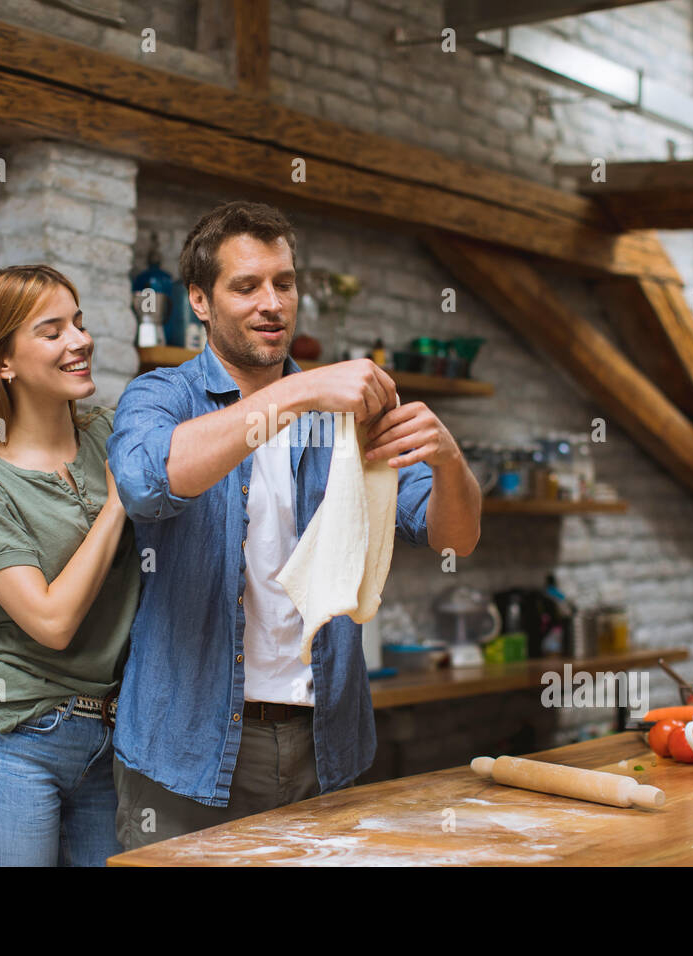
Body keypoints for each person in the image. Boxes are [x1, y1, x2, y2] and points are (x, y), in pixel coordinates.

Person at [107, 201, 482, 850]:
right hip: (187, 748)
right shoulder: (161, 397)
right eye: (245, 286)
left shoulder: (349, 413)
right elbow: (146, 481)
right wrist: (298, 393)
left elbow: (456, 537)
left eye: (284, 282)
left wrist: (449, 461)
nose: (271, 302)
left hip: (324, 741)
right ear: (199, 300)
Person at [0, 265, 138, 866]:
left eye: (78, 322)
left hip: (110, 744)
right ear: (2, 362)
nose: (79, 340)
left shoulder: (113, 432)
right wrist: (120, 501)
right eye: (52, 331)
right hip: (15, 745)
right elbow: (51, 622)